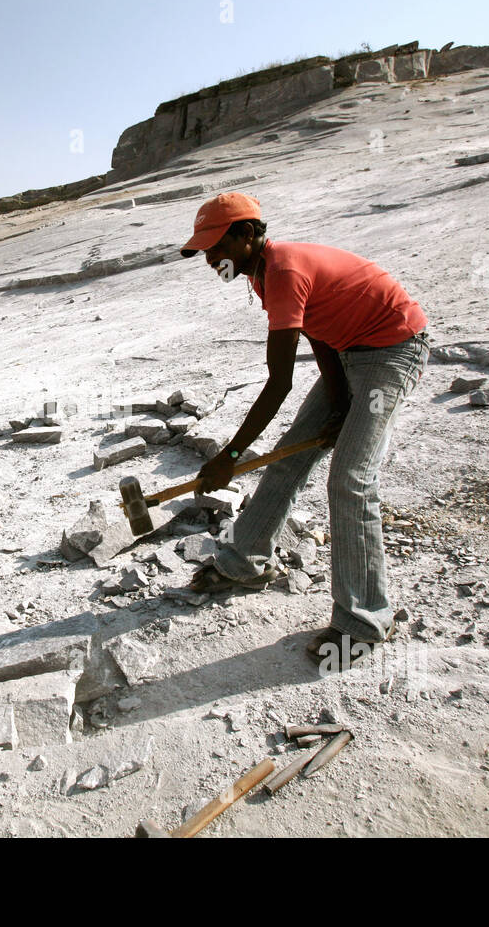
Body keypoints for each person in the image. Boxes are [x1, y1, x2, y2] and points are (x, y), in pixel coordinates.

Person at [179, 192, 430, 669]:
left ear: (249, 234)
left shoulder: (286, 270)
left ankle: (363, 622)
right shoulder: (261, 275)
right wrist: (337, 403)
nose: (212, 259)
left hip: (394, 350)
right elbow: (320, 334)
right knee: (291, 453)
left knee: (350, 480)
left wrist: (230, 455)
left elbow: (279, 382)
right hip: (349, 353)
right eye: (206, 252)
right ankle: (245, 563)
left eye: (217, 246)